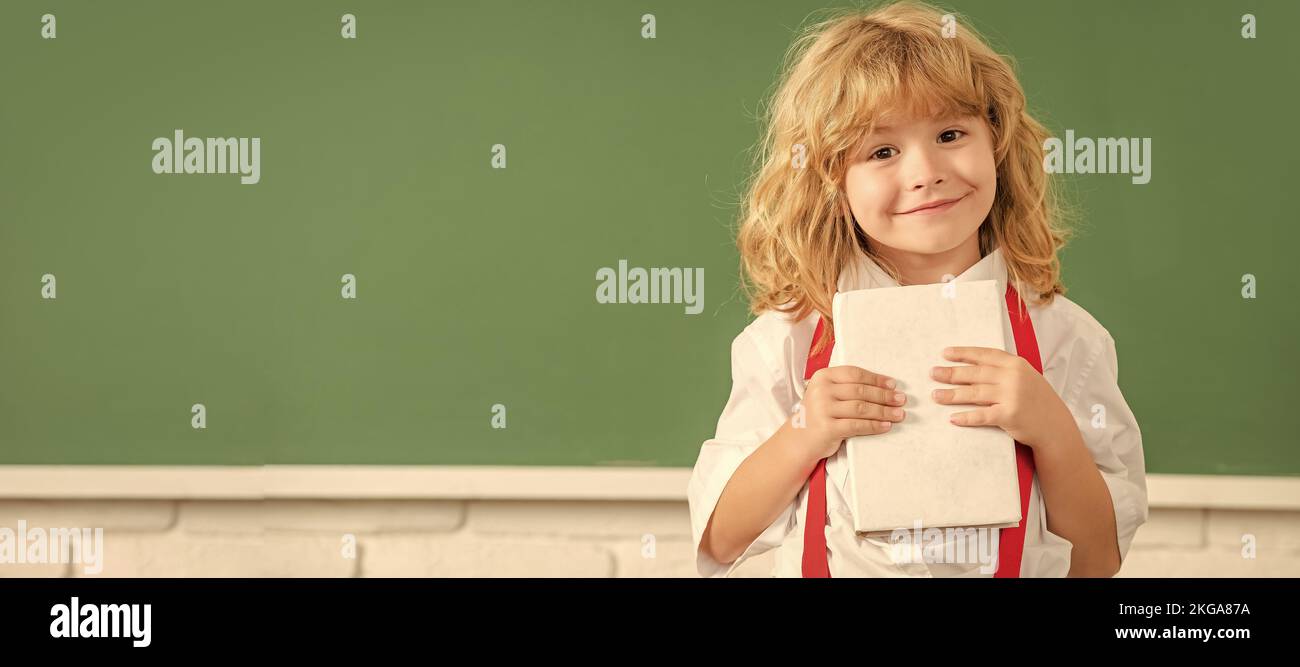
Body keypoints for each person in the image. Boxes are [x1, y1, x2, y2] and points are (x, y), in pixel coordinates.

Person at [688, 0, 1148, 577]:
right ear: (831, 180)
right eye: (882, 151)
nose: (925, 171)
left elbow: (1098, 562)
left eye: (951, 133)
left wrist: (1052, 429)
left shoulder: (1065, 338)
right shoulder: (791, 338)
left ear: (997, 143)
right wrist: (805, 431)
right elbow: (723, 540)